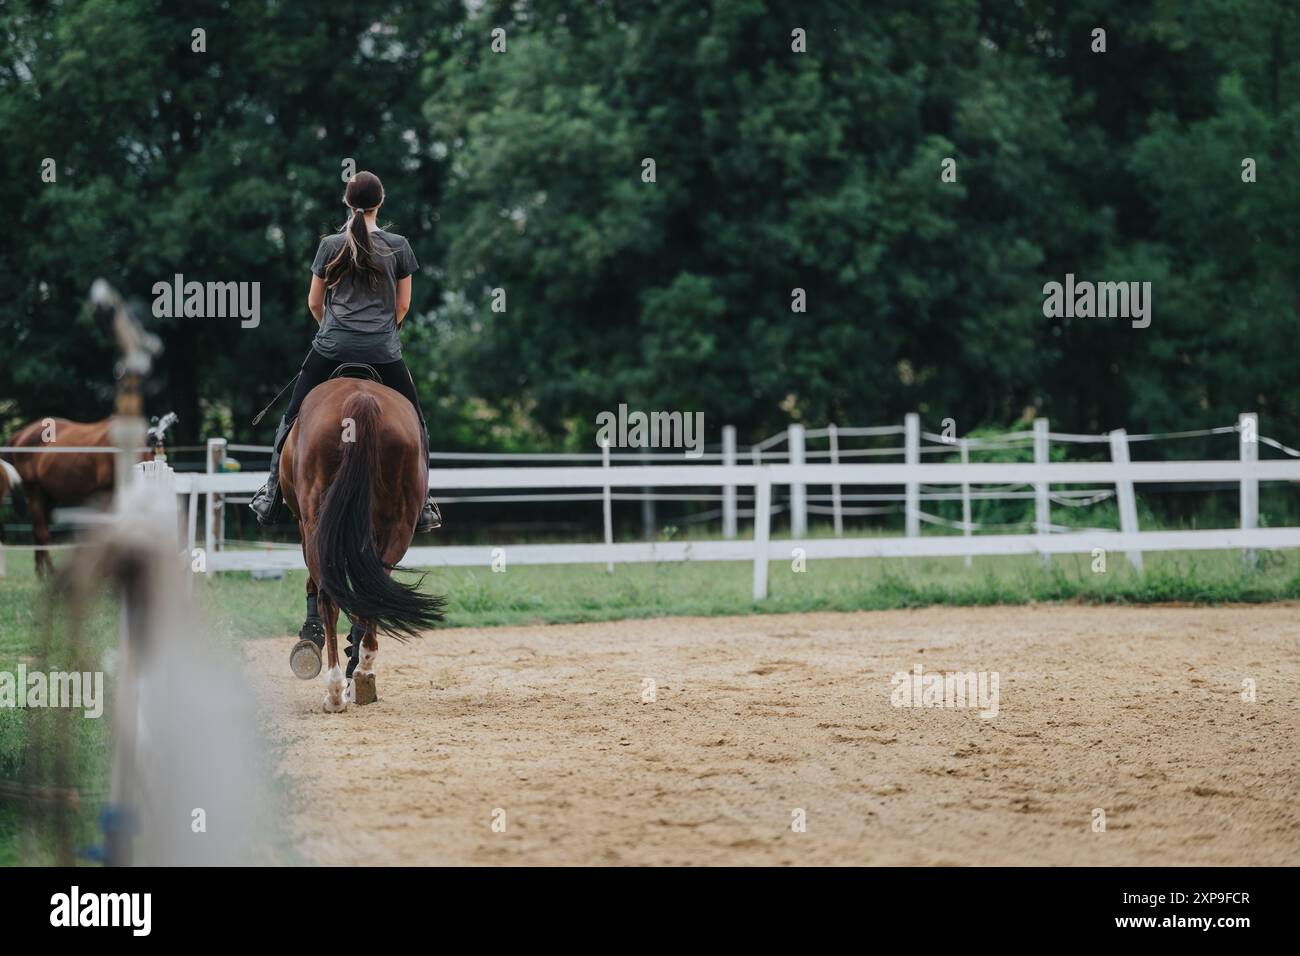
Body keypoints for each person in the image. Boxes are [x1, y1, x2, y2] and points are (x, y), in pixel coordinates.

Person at [250, 171, 441, 532]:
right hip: (383, 351)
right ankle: (425, 501)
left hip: (332, 347)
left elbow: (313, 302)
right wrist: (382, 334)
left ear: (347, 203)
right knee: (416, 421)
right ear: (380, 202)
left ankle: (272, 492)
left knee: (291, 417)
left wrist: (331, 331)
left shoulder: (329, 244)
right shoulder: (399, 245)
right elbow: (402, 307)